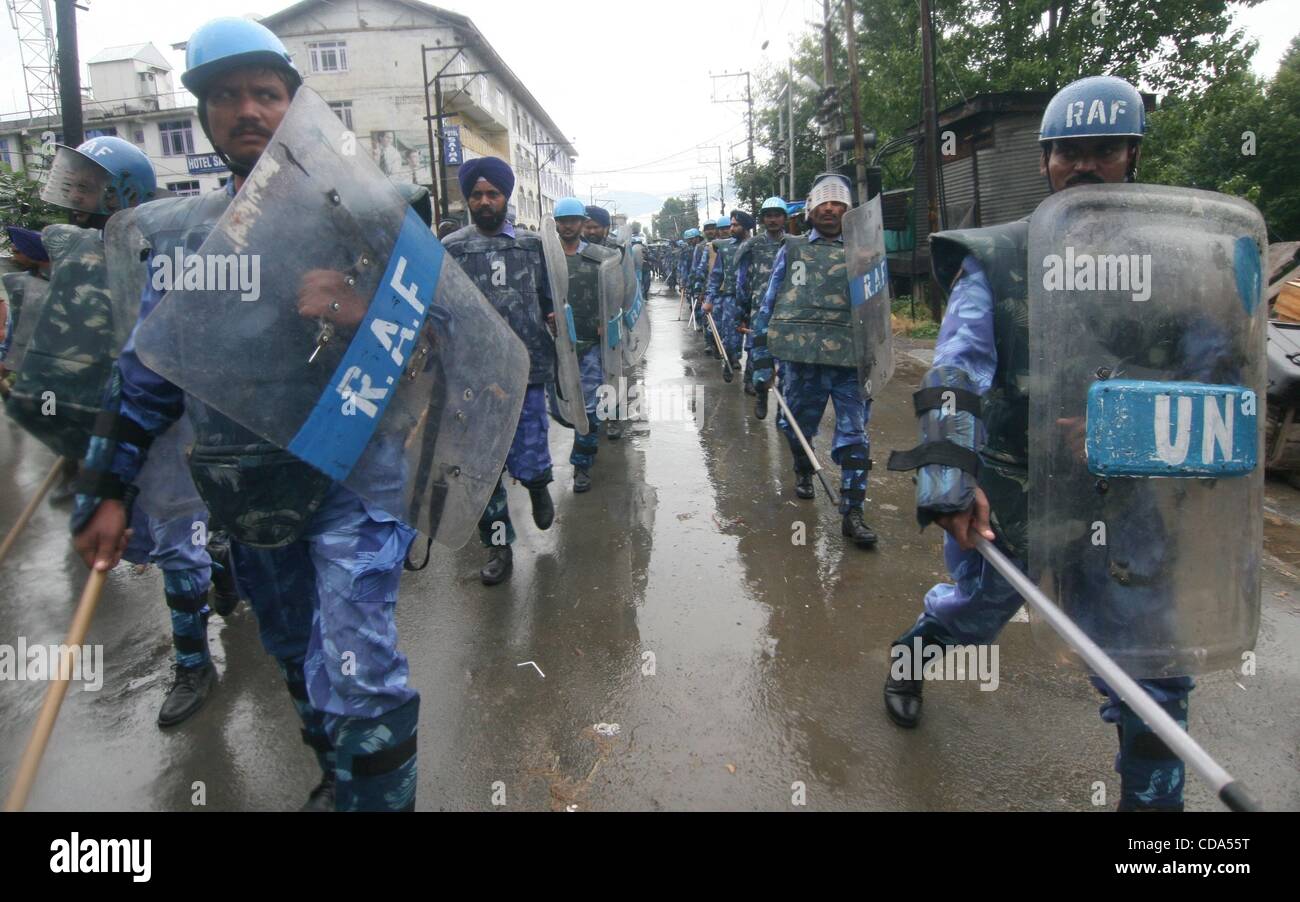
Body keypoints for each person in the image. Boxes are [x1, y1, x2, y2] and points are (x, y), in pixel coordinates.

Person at [72, 17, 423, 811]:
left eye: (266, 93)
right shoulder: (188, 239)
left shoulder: (367, 215)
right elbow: (146, 377)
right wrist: (108, 490)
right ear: (203, 116)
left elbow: (444, 341)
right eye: (225, 96)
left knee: (361, 669)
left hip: (352, 475)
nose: (247, 110)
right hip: (249, 486)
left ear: (294, 106)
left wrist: (360, 307)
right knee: (297, 651)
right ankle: (339, 779)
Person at [881, 75, 1194, 811]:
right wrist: (951, 483)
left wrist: (1136, 415)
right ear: (1047, 161)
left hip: (1131, 499)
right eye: (1068, 154)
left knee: (1153, 675)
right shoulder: (1000, 261)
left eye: (1104, 151)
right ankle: (909, 659)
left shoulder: (1177, 265)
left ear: (1133, 156)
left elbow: (1218, 374)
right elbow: (955, 371)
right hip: (1017, 492)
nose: (1084, 167)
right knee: (974, 612)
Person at [750, 173, 878, 550]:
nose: (830, 208)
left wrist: (877, 360)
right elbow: (769, 304)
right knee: (796, 428)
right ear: (810, 210)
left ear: (849, 211)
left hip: (849, 363)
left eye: (838, 202)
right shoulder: (790, 251)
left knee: (856, 438)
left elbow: (876, 311)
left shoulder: (865, 252)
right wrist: (761, 358)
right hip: (801, 360)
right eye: (823, 202)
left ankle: (853, 512)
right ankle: (803, 466)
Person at [443, 157, 555, 586]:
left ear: (506, 197)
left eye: (493, 193)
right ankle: (497, 546)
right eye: (477, 194)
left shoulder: (531, 246)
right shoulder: (452, 248)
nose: (485, 201)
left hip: (526, 369)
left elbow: (551, 297)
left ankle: (539, 483)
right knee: (480, 471)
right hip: (473, 376)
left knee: (530, 449)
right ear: (468, 199)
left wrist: (554, 320)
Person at [550, 198, 618, 493]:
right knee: (559, 407)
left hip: (591, 343)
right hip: (555, 345)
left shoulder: (601, 257)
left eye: (574, 220)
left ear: (581, 222)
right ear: (556, 223)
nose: (569, 226)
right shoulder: (546, 257)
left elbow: (617, 294)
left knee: (590, 408)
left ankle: (582, 464)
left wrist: (608, 321)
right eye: (563, 220)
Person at [735, 197, 789, 405]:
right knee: (759, 351)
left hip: (786, 308)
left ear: (785, 218)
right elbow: (742, 280)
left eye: (777, 215)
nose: (773, 220)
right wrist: (743, 312)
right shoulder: (753, 245)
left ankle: (784, 403)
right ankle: (758, 388)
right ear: (763, 219)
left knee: (786, 356)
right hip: (760, 307)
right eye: (769, 216)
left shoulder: (794, 243)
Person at [703, 211, 752, 381]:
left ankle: (751, 380)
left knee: (756, 341)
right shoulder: (724, 248)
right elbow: (716, 276)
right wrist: (709, 299)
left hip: (756, 300)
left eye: (735, 225)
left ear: (746, 227)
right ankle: (730, 360)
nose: (731, 229)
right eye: (730, 225)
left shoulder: (757, 245)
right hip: (731, 298)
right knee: (730, 335)